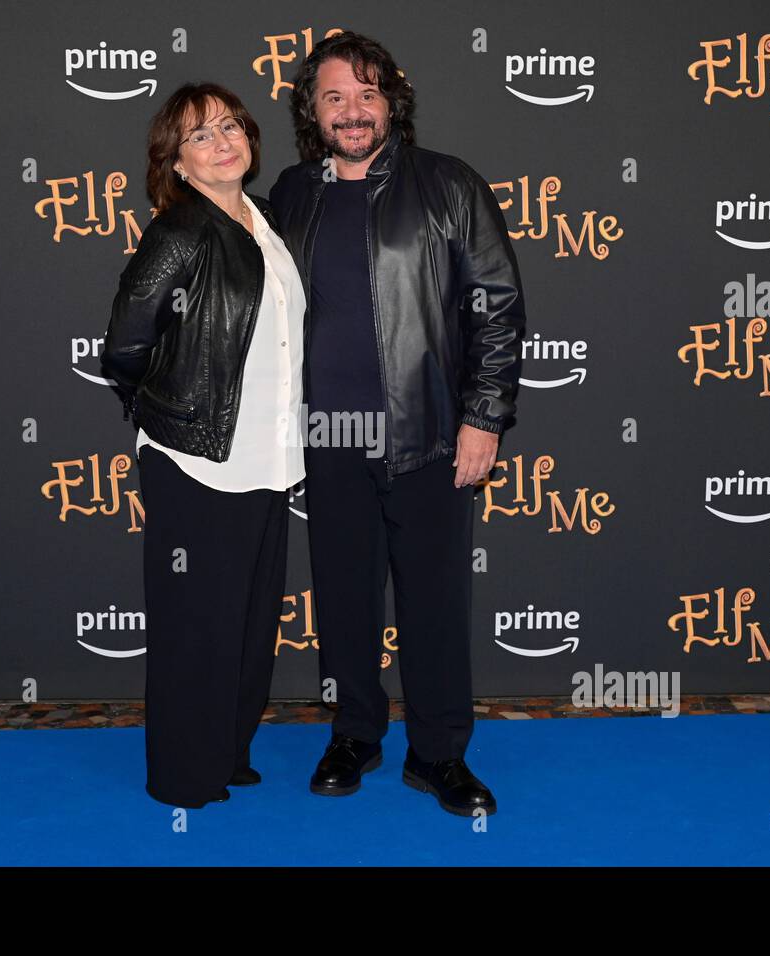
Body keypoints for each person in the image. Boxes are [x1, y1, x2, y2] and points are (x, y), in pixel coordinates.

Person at [269, 32, 526, 816]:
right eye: (335, 96)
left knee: (435, 605)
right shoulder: (289, 193)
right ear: (313, 111)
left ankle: (439, 753)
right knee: (344, 600)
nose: (353, 111)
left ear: (392, 104)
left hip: (428, 436)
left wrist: (483, 416)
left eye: (368, 94)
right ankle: (354, 734)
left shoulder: (448, 184)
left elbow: (498, 307)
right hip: (329, 441)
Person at [101, 82, 306, 809]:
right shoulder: (179, 232)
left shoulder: (267, 221)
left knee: (249, 626)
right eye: (199, 135)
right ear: (177, 162)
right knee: (196, 629)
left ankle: (226, 751)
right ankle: (184, 775)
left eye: (229, 127)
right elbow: (124, 345)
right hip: (194, 463)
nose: (221, 142)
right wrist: (166, 416)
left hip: (270, 462)